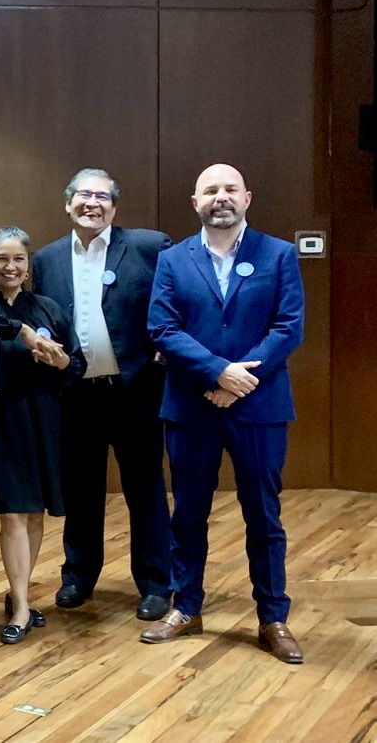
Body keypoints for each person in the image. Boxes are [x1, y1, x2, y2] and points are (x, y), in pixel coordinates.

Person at [141, 164, 306, 664]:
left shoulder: (278, 255)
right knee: (187, 514)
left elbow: (288, 327)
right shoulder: (172, 260)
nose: (221, 197)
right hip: (192, 407)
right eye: (210, 190)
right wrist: (217, 373)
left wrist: (238, 382)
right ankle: (186, 607)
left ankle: (272, 617)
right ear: (195, 202)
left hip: (259, 407)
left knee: (264, 515)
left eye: (230, 189)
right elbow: (162, 329)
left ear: (247, 198)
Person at [31, 168, 173, 621]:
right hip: (76, 393)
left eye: (102, 196)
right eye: (83, 195)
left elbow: (174, 303)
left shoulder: (150, 247)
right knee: (81, 489)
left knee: (146, 488)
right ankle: (78, 576)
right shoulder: (48, 258)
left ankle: (155, 583)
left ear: (114, 205)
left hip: (136, 393)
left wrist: (164, 355)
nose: (92, 203)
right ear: (67, 202)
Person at [0, 227, 83, 643]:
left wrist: (61, 360)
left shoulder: (47, 307)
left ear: (29, 266)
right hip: (1, 419)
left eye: (19, 260)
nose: (11, 267)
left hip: (46, 419)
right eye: (2, 259)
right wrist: (20, 330)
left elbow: (76, 365)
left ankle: (19, 593)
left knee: (33, 512)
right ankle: (23, 608)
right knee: (11, 512)